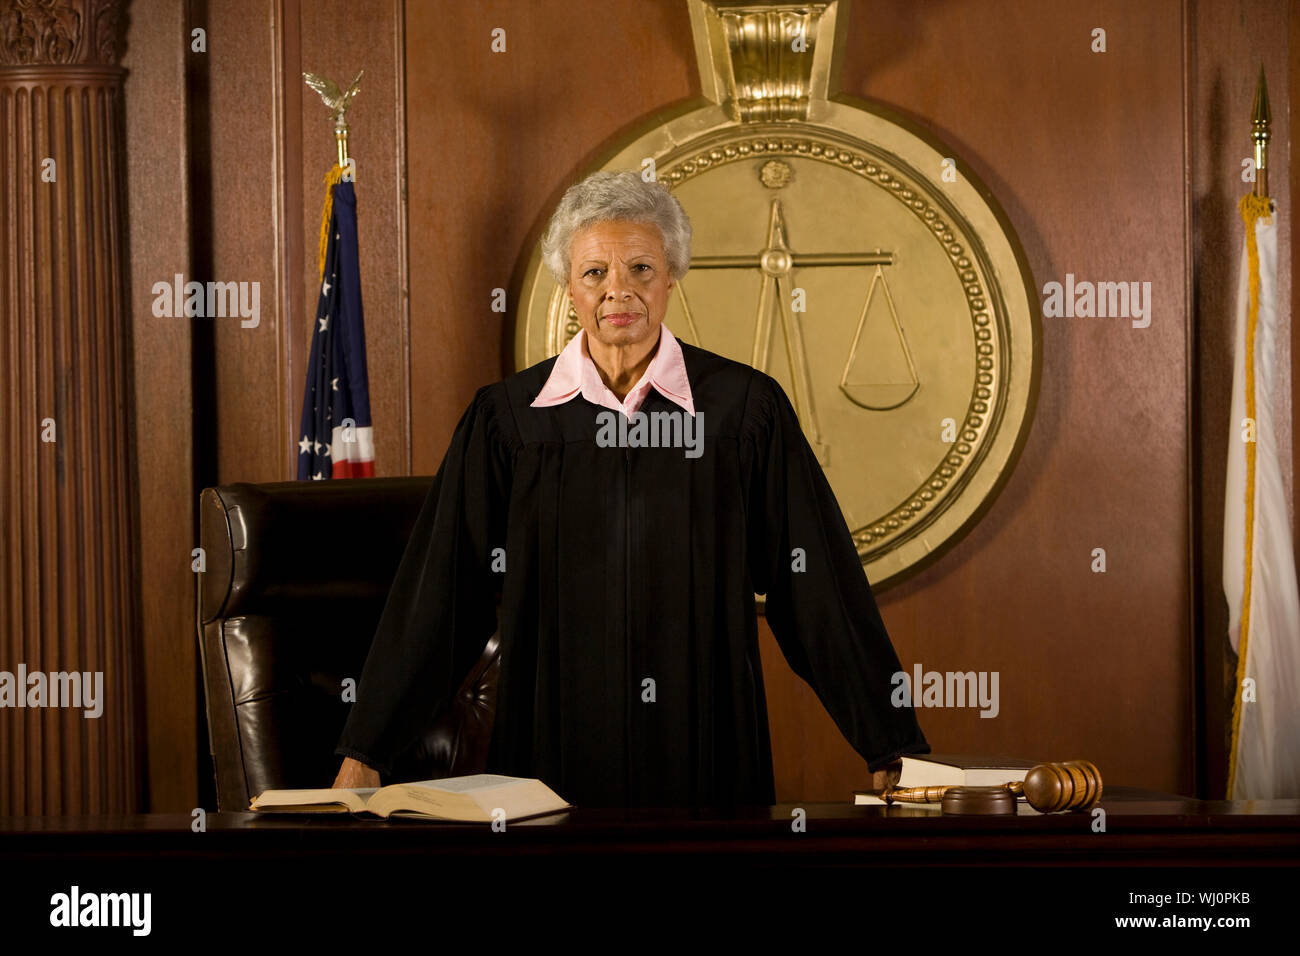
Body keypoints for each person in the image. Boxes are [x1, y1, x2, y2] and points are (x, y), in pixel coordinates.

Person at [331, 169, 929, 806]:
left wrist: (889, 743)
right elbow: (442, 596)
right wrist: (366, 752)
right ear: (567, 287)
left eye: (641, 268)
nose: (618, 291)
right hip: (548, 762)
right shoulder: (508, 421)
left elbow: (816, 589)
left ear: (671, 275)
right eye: (594, 273)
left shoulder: (743, 413)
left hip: (708, 755)